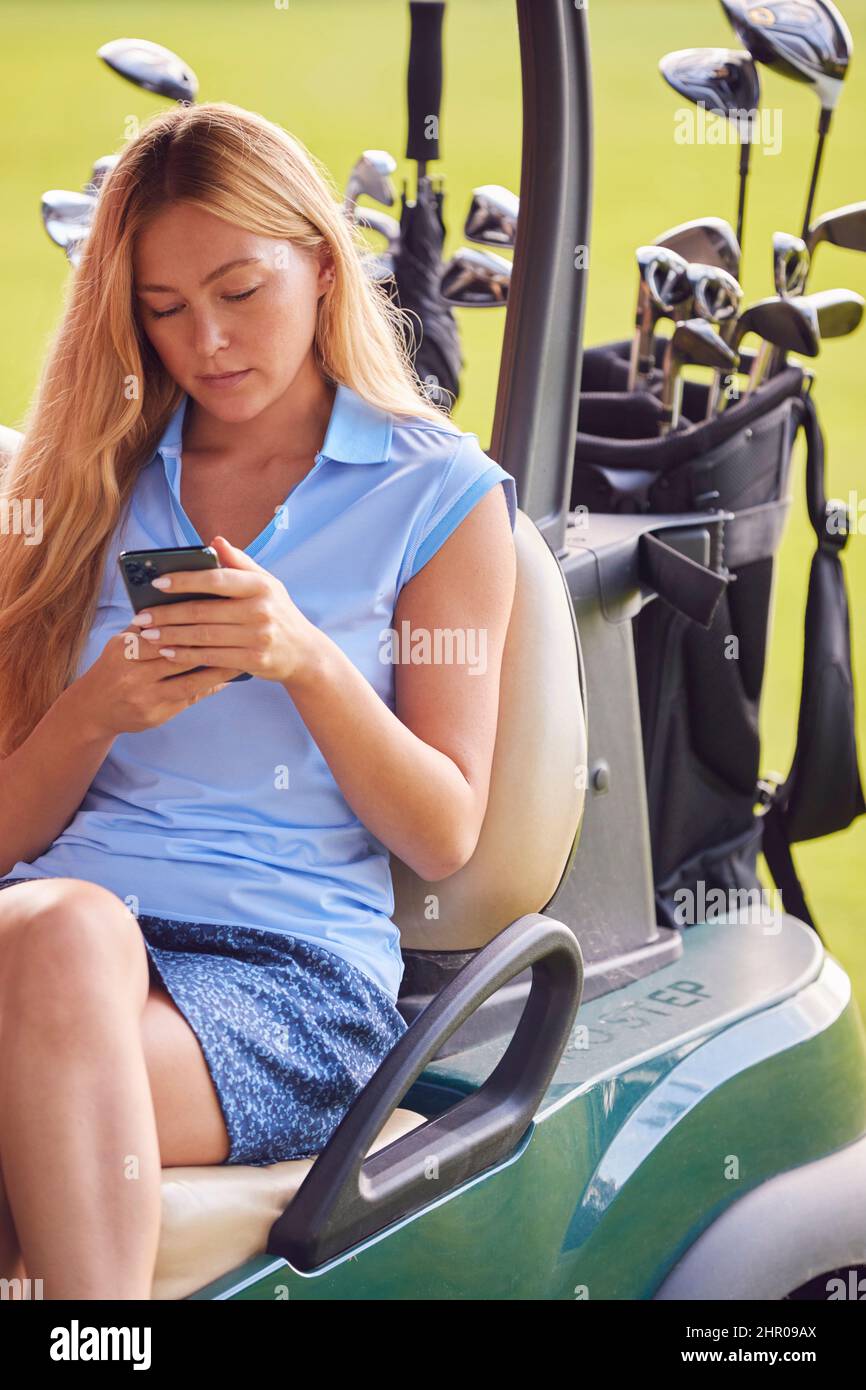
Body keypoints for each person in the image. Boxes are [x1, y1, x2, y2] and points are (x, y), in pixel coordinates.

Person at [0, 102, 517, 1299]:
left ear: (323, 266)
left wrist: (307, 660)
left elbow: (441, 830)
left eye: (241, 290)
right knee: (68, 931)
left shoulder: (433, 494)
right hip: (47, 943)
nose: (208, 342)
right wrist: (94, 710)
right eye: (165, 310)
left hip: (282, 977)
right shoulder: (87, 479)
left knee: (54, 1001)